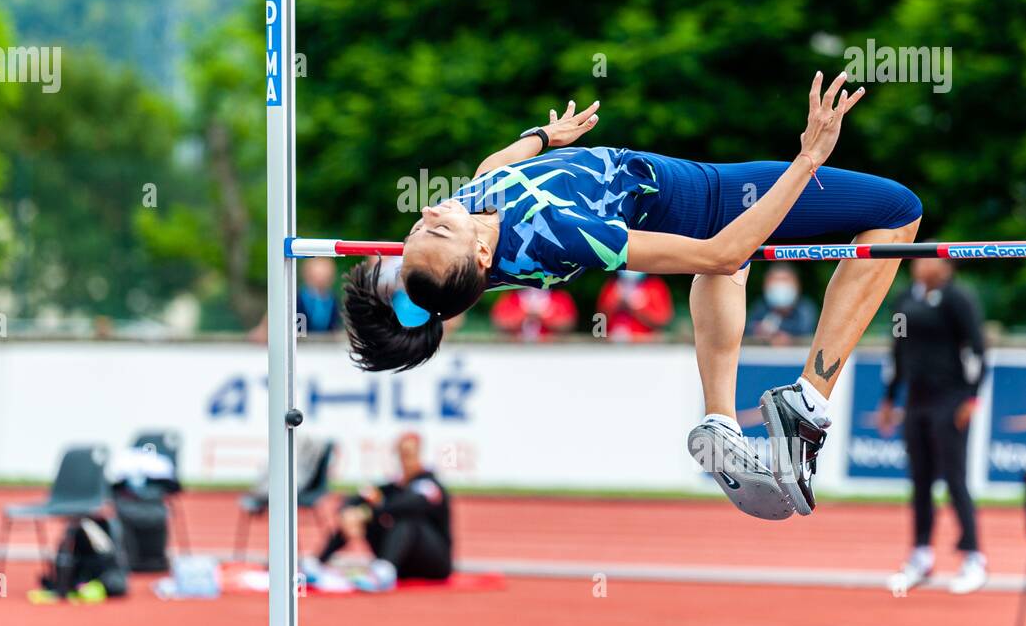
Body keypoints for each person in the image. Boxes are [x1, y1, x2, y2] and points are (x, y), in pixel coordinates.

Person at [343, 73, 923, 521]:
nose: (428, 212)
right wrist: (808, 159)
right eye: (436, 229)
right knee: (897, 210)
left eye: (419, 227)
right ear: (478, 259)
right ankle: (809, 403)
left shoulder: (472, 208)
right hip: (708, 198)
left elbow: (491, 167)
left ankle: (720, 419)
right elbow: (718, 251)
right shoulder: (561, 236)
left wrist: (542, 139)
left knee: (736, 271)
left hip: (696, 198)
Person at [880, 256, 987, 595]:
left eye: (931, 258)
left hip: (950, 400)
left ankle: (973, 557)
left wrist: (971, 399)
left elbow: (979, 350)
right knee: (920, 480)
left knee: (955, 480)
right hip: (915, 401)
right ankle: (921, 554)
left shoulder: (958, 298)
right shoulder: (904, 300)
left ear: (946, 266)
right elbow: (897, 349)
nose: (921, 264)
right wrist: (889, 398)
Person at [304, 432, 452, 592]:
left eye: (410, 454)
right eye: (402, 454)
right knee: (357, 515)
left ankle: (384, 572)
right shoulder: (395, 486)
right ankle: (317, 564)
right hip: (404, 566)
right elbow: (358, 496)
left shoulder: (430, 486)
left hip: (435, 564)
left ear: (419, 454)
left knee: (405, 520)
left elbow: (407, 504)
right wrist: (348, 514)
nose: (406, 460)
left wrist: (367, 512)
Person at [745, 264, 816, 345]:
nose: (779, 284)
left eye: (784, 279)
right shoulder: (759, 307)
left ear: (797, 284)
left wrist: (777, 334)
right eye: (775, 280)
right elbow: (748, 330)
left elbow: (805, 331)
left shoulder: (806, 309)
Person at [596, 270, 674, 341]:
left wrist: (635, 309)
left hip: (645, 345)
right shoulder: (612, 285)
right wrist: (616, 304)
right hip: (615, 344)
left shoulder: (655, 286)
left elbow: (663, 320)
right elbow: (600, 319)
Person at [490, 286, 578, 341]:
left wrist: (542, 316)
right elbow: (500, 323)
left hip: (551, 352)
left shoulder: (561, 298)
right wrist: (526, 314)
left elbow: (567, 324)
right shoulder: (508, 298)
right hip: (517, 352)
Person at [297, 256, 343, 333]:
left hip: (327, 342)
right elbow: (299, 331)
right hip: (303, 343)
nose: (321, 280)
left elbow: (335, 326)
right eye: (317, 275)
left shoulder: (333, 300)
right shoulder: (299, 299)